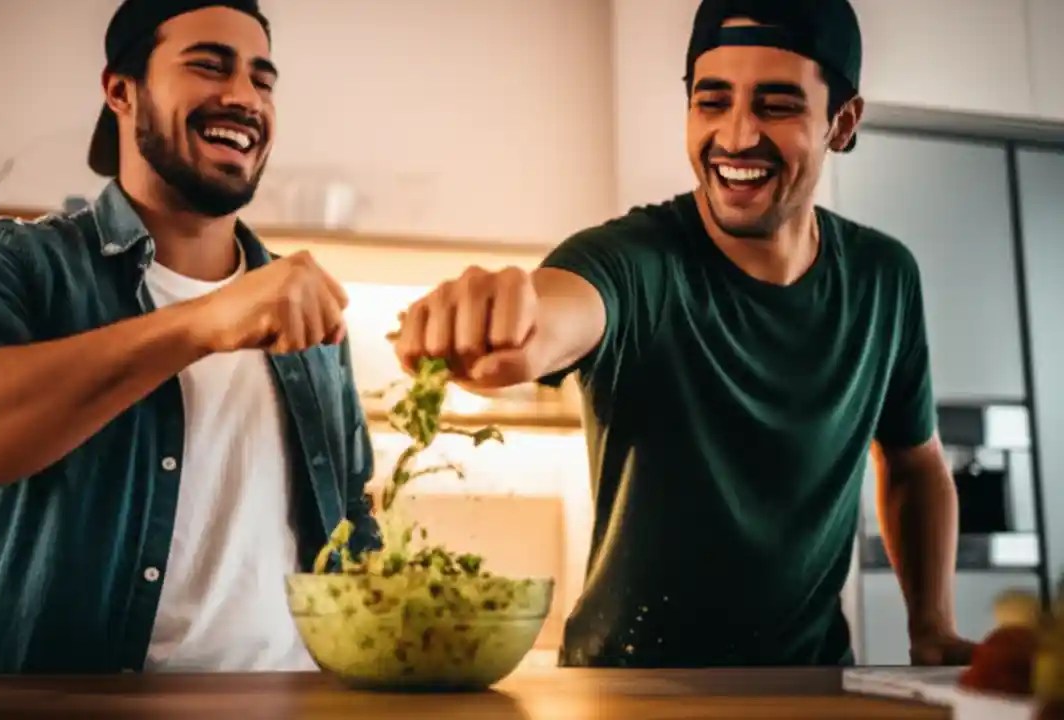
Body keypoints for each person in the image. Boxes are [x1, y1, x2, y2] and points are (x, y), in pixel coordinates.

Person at [393, 0, 975, 669]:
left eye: (776, 105)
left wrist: (932, 625)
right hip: (628, 690)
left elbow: (914, 463)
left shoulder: (883, 277)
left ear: (841, 122)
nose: (736, 136)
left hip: (811, 684)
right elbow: (550, 320)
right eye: (712, 101)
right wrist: (500, 325)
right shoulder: (633, 260)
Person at [0, 0, 380, 674]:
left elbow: (350, 519)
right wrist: (200, 323)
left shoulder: (303, 304)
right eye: (209, 66)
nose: (244, 97)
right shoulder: (20, 262)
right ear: (120, 91)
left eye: (262, 79)